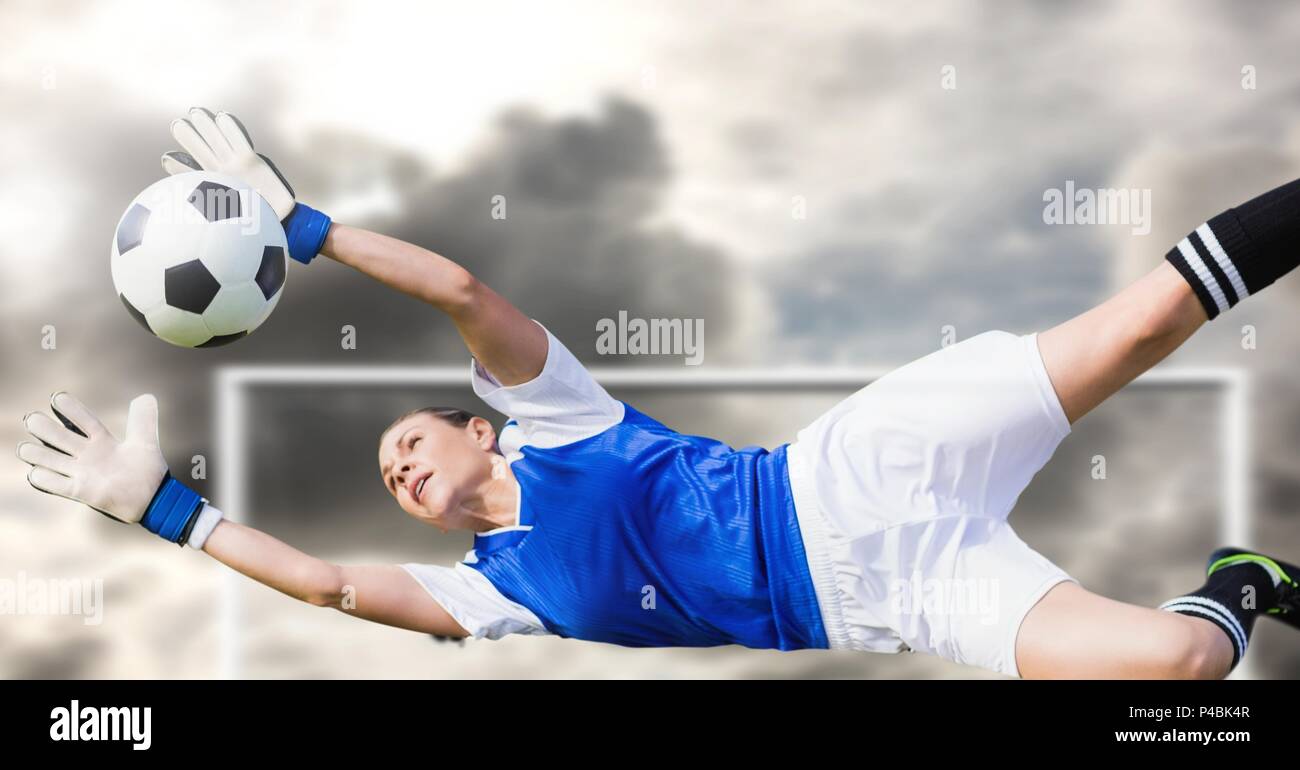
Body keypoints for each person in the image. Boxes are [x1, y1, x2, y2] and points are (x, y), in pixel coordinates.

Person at [18, 108, 1299, 678]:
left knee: (1145, 318)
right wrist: (167, 513)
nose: (396, 468)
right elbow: (335, 585)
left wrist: (307, 225)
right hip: (892, 595)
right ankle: (1250, 575)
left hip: (857, 470)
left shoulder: (561, 416)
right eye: (388, 480)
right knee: (1179, 661)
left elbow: (465, 291)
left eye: (407, 438)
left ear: (477, 422)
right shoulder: (495, 594)